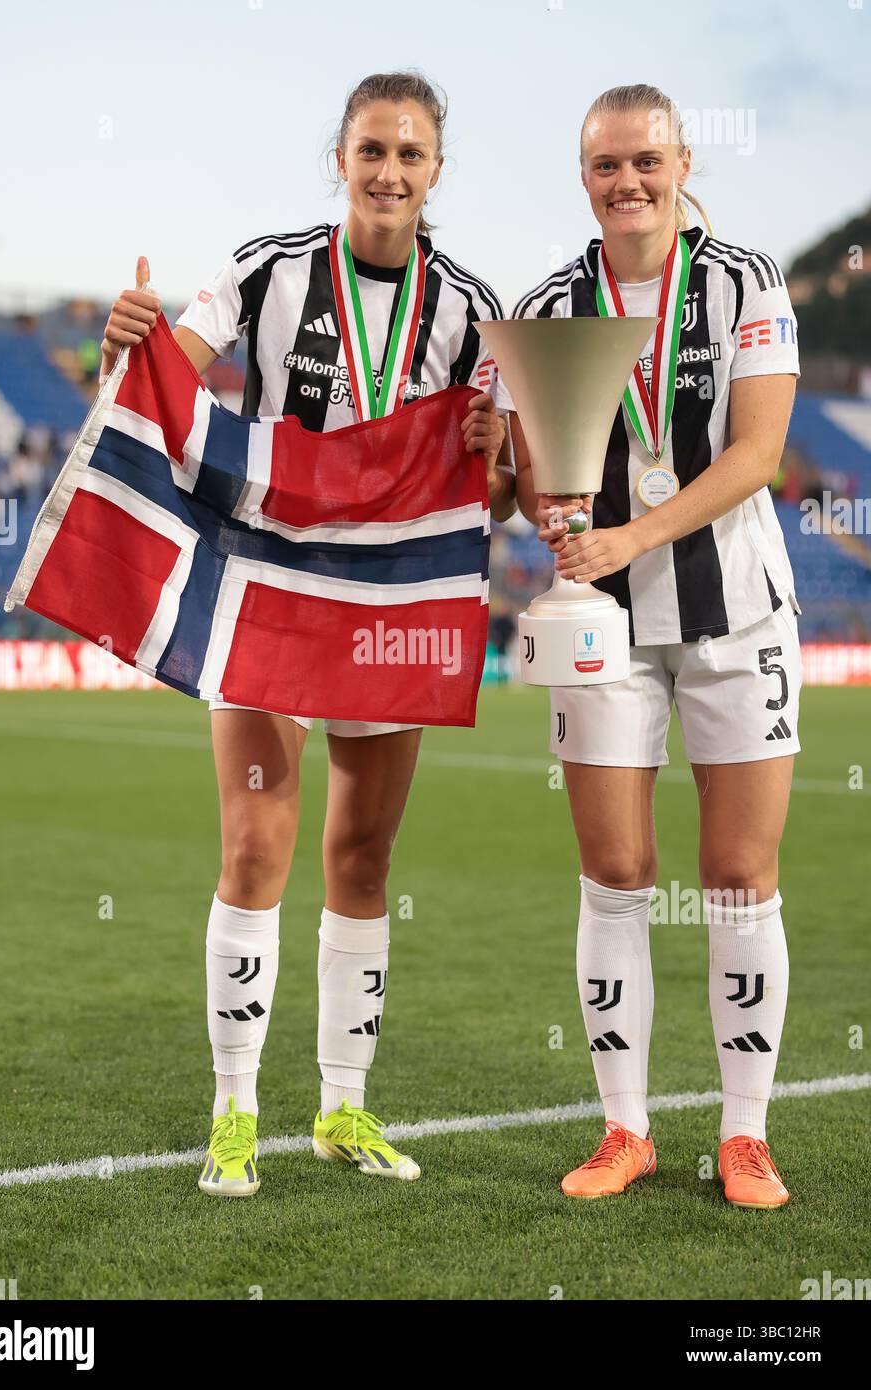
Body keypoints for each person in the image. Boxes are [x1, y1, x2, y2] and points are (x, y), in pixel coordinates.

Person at [100, 70, 515, 1198]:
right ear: (338, 156)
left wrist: (501, 449)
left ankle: (342, 1106)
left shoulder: (475, 307)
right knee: (254, 847)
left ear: (437, 171)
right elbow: (160, 383)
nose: (389, 171)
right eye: (371, 149)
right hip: (273, 583)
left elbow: (504, 494)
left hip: (394, 601)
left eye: (411, 154)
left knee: (363, 856)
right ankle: (234, 1111)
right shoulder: (265, 268)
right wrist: (120, 344)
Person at [504, 84, 800, 1209]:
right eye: (603, 167)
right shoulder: (545, 303)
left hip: (736, 615)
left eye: (644, 162)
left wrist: (633, 530)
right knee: (616, 874)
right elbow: (531, 475)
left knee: (737, 877)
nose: (625, 183)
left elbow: (757, 453)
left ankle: (744, 1134)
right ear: (581, 177)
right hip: (604, 629)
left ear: (680, 163)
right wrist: (535, 489)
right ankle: (625, 1128)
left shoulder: (744, 282)